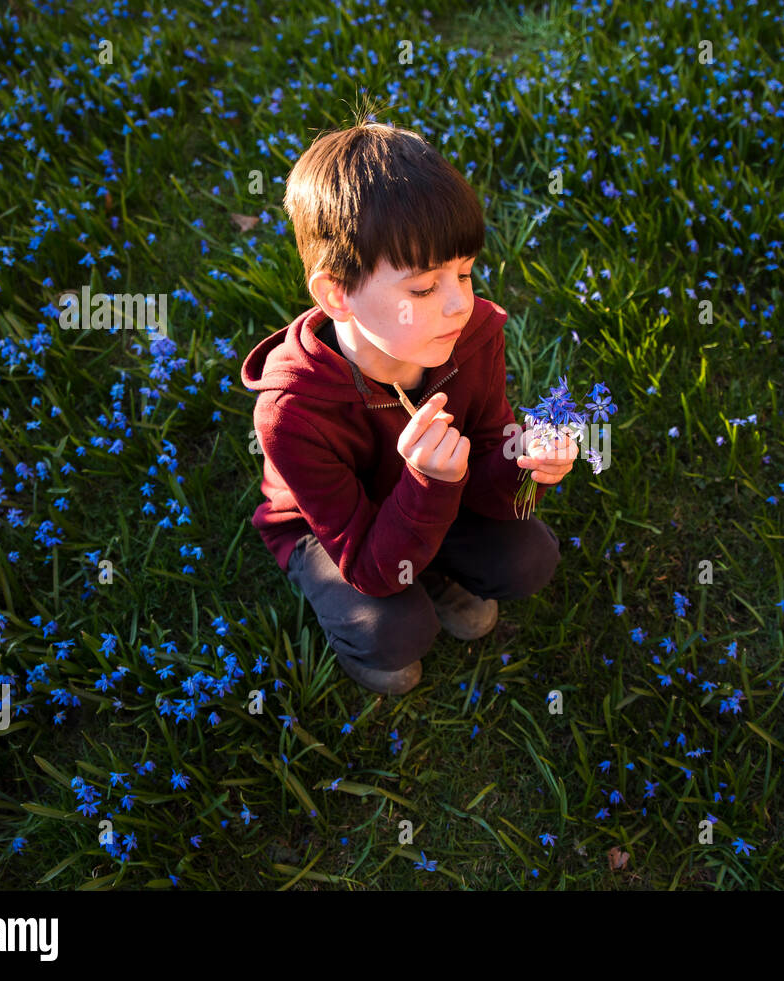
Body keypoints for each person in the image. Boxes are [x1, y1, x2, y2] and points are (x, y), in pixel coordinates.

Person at [241, 118, 577, 696]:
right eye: (422, 289)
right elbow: (368, 567)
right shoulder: (290, 411)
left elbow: (489, 456)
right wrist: (428, 484)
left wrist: (519, 462)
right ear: (337, 295)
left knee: (530, 558)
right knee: (395, 633)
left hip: (430, 500)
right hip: (336, 535)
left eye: (465, 273)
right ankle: (401, 593)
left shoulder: (472, 336)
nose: (457, 304)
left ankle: (429, 564)